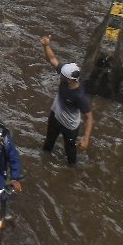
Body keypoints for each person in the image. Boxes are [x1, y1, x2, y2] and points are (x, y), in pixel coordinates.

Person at [40, 35, 94, 165]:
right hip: (55, 116)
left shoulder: (80, 96)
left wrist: (86, 138)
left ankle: (72, 170)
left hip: (69, 126)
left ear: (70, 79)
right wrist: (46, 45)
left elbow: (89, 117)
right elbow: (52, 59)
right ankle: (44, 161)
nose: (60, 76)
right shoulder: (67, 77)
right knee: (48, 143)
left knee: (70, 151)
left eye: (63, 75)